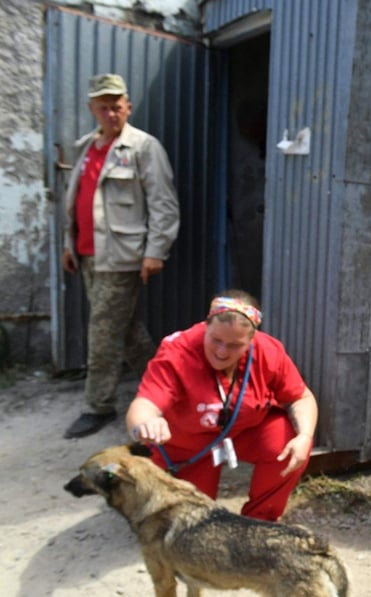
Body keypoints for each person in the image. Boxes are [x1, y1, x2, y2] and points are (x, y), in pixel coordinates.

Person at [125, 290, 317, 522]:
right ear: (205, 326)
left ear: (252, 340)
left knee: (289, 443)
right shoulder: (178, 352)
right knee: (190, 521)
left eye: (235, 345)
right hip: (188, 443)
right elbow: (144, 404)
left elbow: (301, 397)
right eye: (215, 340)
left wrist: (305, 436)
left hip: (246, 429)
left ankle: (259, 521)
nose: (222, 351)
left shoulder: (268, 351)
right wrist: (147, 423)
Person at [62, 73, 180, 439]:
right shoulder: (85, 147)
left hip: (122, 256)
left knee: (103, 331)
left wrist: (156, 251)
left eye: (117, 105)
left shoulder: (144, 147)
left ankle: (98, 405)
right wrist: (70, 245)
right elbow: (77, 202)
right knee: (124, 329)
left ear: (128, 105)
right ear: (92, 109)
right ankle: (168, 388)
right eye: (103, 106)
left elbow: (164, 203)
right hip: (87, 255)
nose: (111, 112)